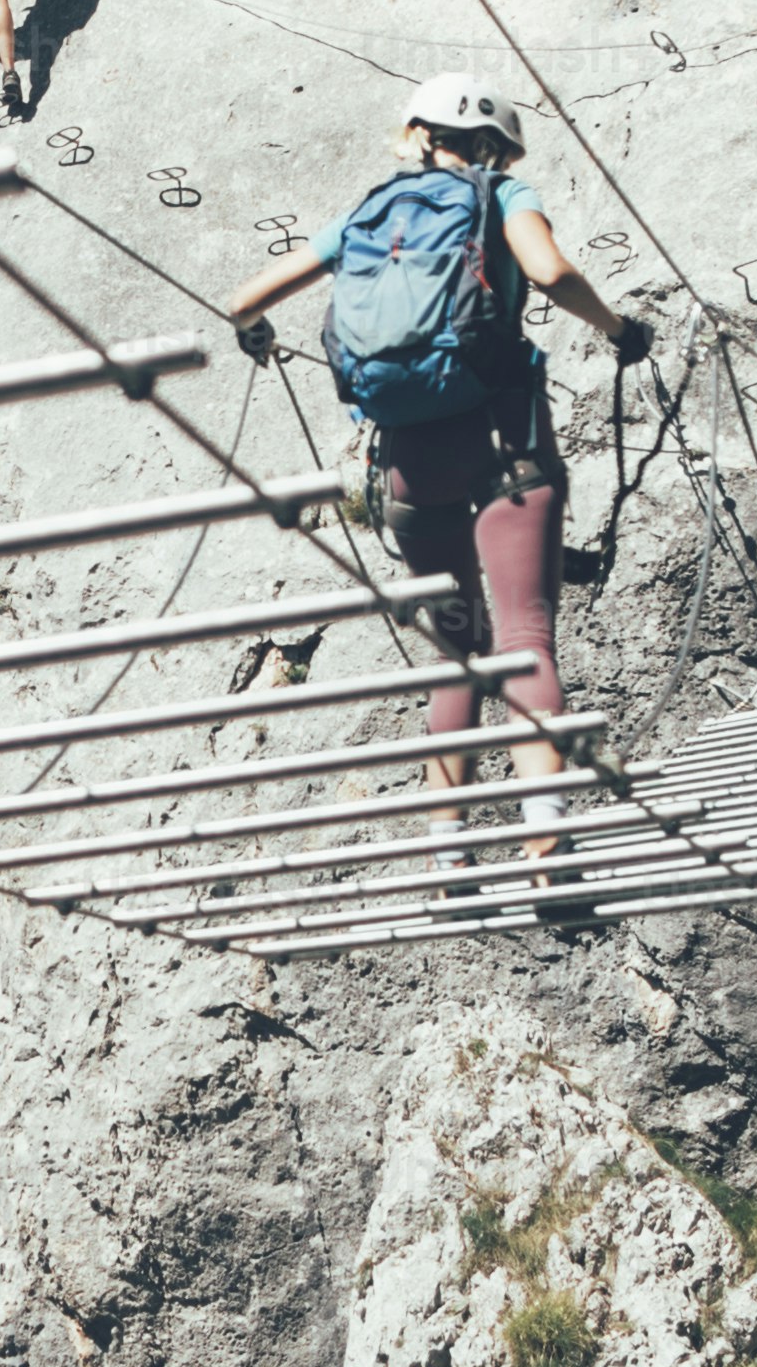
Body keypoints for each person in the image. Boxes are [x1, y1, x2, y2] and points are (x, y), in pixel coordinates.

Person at [222, 77, 649, 882]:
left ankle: (447, 847)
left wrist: (256, 333)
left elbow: (247, 299)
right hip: (503, 446)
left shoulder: (369, 212)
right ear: (496, 146)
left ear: (421, 133)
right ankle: (547, 842)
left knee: (456, 654)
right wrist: (620, 329)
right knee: (524, 637)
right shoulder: (503, 192)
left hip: (411, 465)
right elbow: (550, 272)